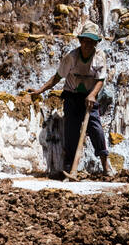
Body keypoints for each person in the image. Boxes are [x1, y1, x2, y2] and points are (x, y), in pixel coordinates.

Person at [32, 21, 110, 177]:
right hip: (72, 96)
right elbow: (57, 77)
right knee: (71, 131)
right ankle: (69, 166)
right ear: (80, 41)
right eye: (85, 41)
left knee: (96, 128)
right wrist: (40, 90)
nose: (88, 45)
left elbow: (100, 79)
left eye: (91, 42)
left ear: (95, 43)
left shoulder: (99, 57)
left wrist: (92, 94)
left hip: (90, 95)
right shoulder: (71, 57)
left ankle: (105, 164)